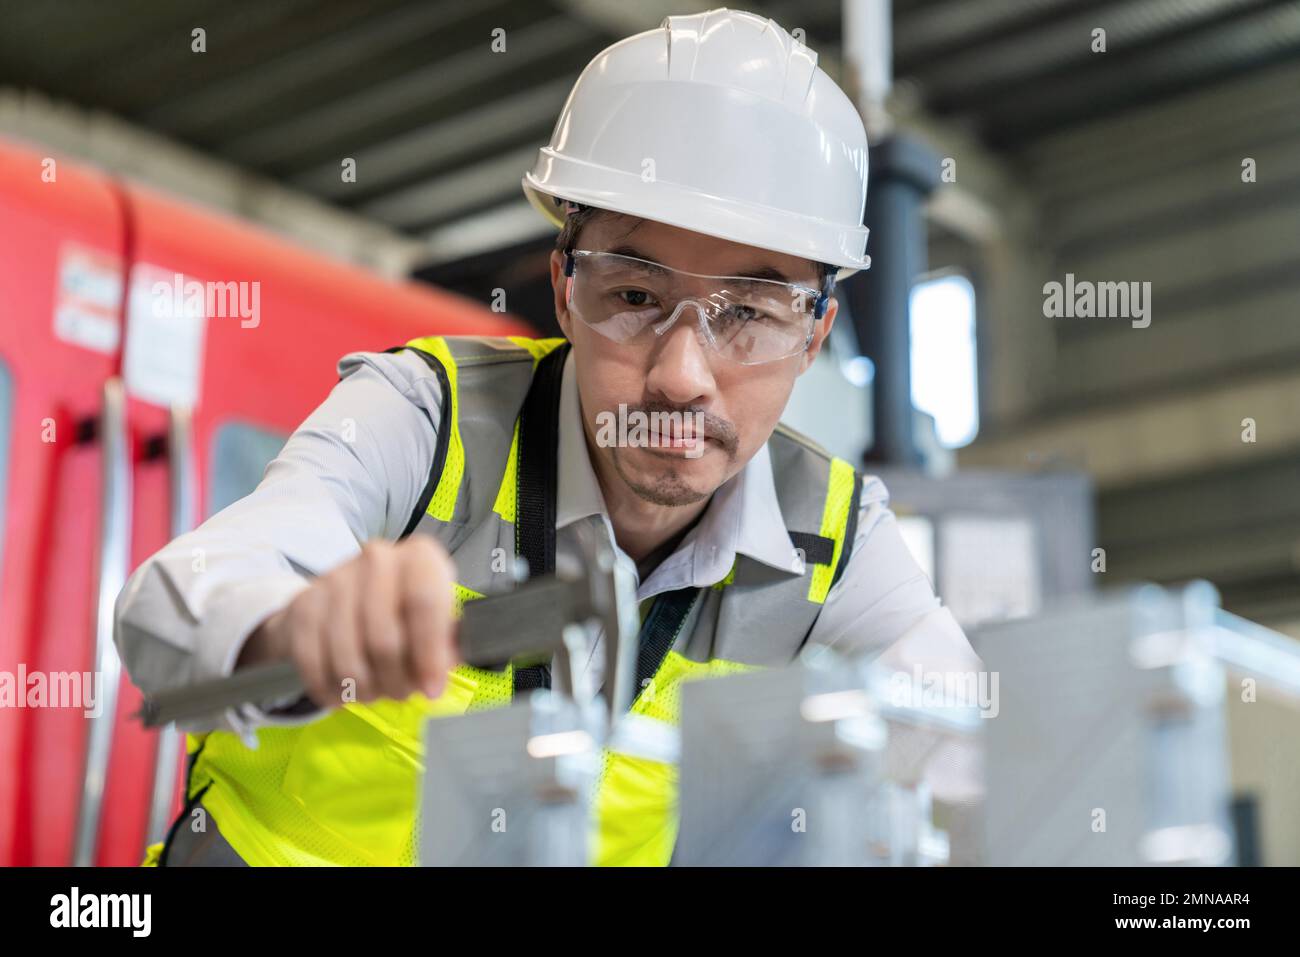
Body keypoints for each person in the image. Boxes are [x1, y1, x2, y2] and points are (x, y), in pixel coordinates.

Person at [116, 7, 978, 867]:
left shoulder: (830, 537)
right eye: (635, 296)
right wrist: (291, 628)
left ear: (815, 336)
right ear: (566, 289)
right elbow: (175, 598)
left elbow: (967, 739)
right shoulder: (426, 419)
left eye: (749, 312)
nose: (681, 375)